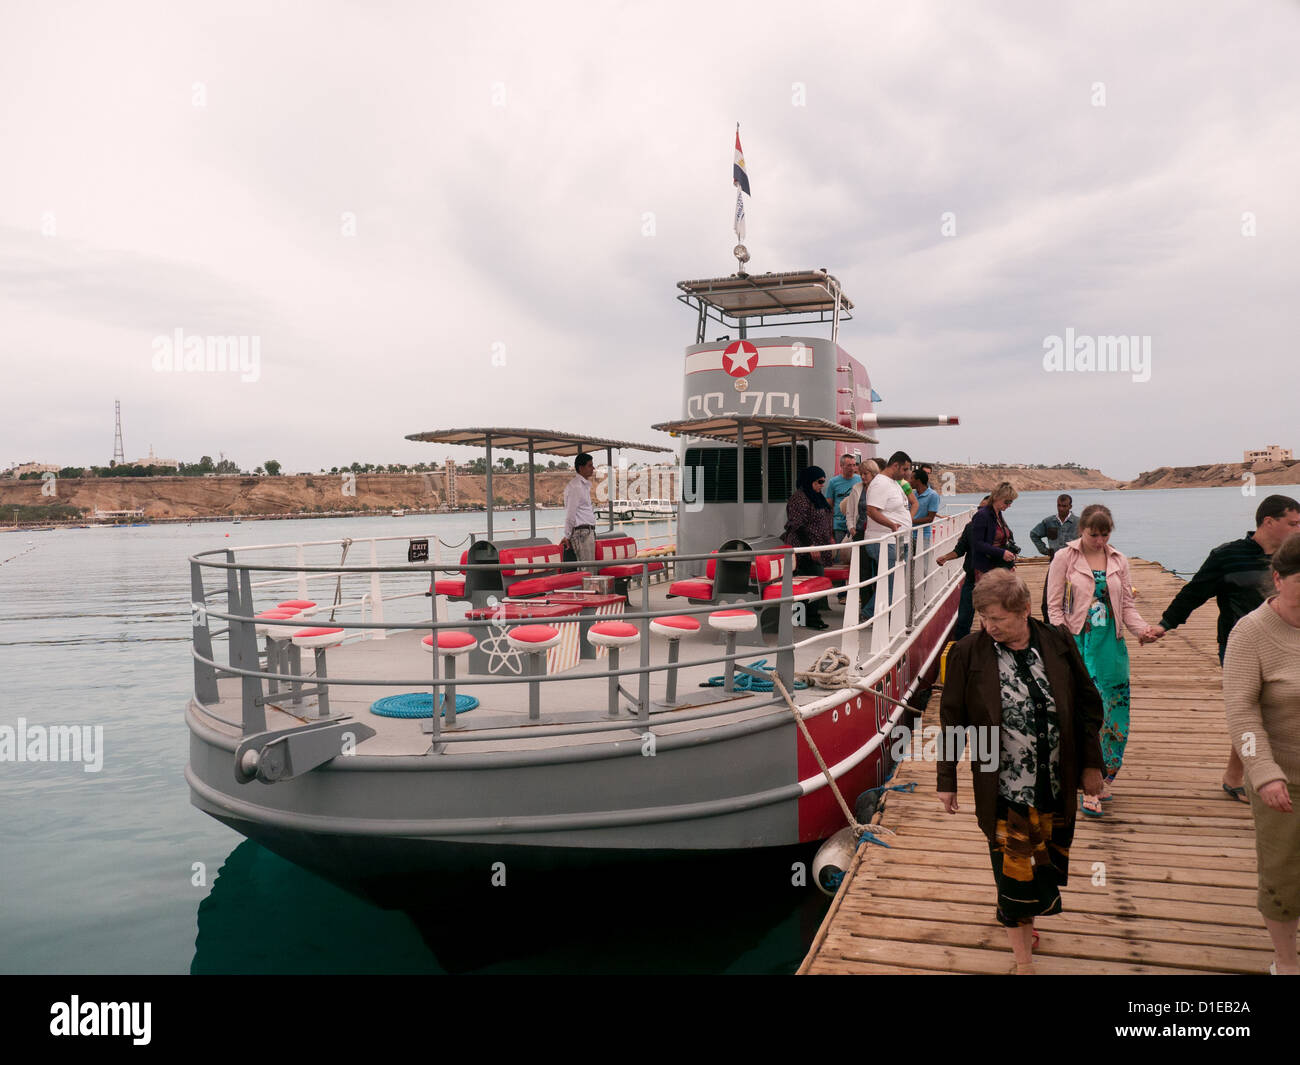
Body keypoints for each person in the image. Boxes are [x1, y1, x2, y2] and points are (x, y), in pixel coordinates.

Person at [938, 569, 1104, 974]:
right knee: (1014, 871)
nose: (990, 626)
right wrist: (947, 780)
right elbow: (952, 720)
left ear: (1025, 610)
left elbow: (1087, 705)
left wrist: (1091, 764)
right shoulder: (966, 653)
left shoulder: (1058, 641)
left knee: (1039, 861)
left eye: (999, 619)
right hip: (1002, 780)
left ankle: (1018, 915)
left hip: (1054, 778)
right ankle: (1023, 960)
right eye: (985, 618)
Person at [1150, 494, 1300, 802]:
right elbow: (1194, 591)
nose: (1299, 529)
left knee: (1267, 712)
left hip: (1287, 645)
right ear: (1269, 522)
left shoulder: (1293, 559)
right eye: (1293, 523)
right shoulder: (1227, 556)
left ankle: (1237, 774)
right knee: (1251, 711)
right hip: (1240, 648)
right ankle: (1248, 775)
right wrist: (1165, 624)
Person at [1046, 504, 1160, 815]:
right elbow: (1054, 606)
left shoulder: (1118, 559)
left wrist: (1142, 630)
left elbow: (1126, 606)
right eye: (1093, 534)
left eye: (1104, 534)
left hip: (1112, 644)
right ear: (1081, 530)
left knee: (1116, 712)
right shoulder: (1064, 558)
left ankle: (1105, 776)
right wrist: (1062, 642)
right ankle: (1088, 787)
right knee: (1085, 715)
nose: (1098, 540)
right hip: (1079, 644)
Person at [1223, 532, 1300, 975]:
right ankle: (1285, 963)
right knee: (1283, 875)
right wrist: (1264, 771)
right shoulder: (1250, 633)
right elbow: (1242, 710)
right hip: (1282, 780)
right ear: (1277, 579)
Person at [781, 465, 834, 630]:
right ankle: (809, 617)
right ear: (809, 481)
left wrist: (829, 538)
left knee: (815, 581)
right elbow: (797, 525)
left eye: (823, 482)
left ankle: (808, 617)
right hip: (805, 549)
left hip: (817, 547)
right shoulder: (800, 498)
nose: (822, 485)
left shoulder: (816, 496)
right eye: (819, 482)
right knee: (811, 582)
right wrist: (809, 546)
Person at [861, 451, 913, 619]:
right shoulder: (881, 483)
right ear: (895, 465)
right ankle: (870, 614)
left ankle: (881, 615)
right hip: (885, 542)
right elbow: (871, 510)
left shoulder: (893, 482)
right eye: (904, 469)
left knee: (894, 583)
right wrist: (891, 525)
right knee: (891, 584)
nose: (906, 473)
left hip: (896, 541)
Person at [937, 495, 990, 642]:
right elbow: (960, 550)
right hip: (971, 579)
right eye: (979, 508)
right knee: (963, 619)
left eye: (984, 509)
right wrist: (945, 557)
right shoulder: (970, 527)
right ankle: (961, 650)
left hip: (991, 582)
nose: (980, 511)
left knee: (991, 619)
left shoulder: (998, 531)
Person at [1030, 495, 1079, 621]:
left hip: (1074, 567)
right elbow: (1034, 534)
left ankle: (1070, 629)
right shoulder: (1048, 522)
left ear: (1070, 506)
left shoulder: (1079, 523)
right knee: (1047, 602)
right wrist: (1045, 550)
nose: (1061, 509)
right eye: (1059, 505)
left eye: (1064, 506)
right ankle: (1049, 628)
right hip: (1054, 565)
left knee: (1072, 600)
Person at [969, 482, 1019, 581]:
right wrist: (1002, 553)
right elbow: (977, 543)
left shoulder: (998, 513)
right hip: (987, 568)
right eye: (1007, 502)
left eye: (1011, 502)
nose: (1009, 505)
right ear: (996, 497)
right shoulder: (982, 515)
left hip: (999, 565)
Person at [560, 452, 598, 563]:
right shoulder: (576, 487)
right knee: (587, 569)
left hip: (587, 532)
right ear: (581, 468)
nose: (593, 468)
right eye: (590, 465)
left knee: (590, 568)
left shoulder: (583, 486)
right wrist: (567, 536)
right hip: (582, 534)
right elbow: (570, 513)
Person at [824, 453, 861, 547]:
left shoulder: (860, 480)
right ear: (841, 466)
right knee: (840, 554)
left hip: (855, 524)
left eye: (854, 465)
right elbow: (828, 505)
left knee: (854, 553)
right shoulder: (833, 482)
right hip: (839, 524)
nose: (852, 468)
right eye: (849, 465)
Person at [908, 468, 942, 555]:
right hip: (909, 535)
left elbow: (930, 518)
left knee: (923, 565)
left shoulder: (933, 495)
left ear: (918, 481)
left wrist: (909, 521)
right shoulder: (912, 494)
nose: (909, 481)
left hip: (923, 536)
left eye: (911, 478)